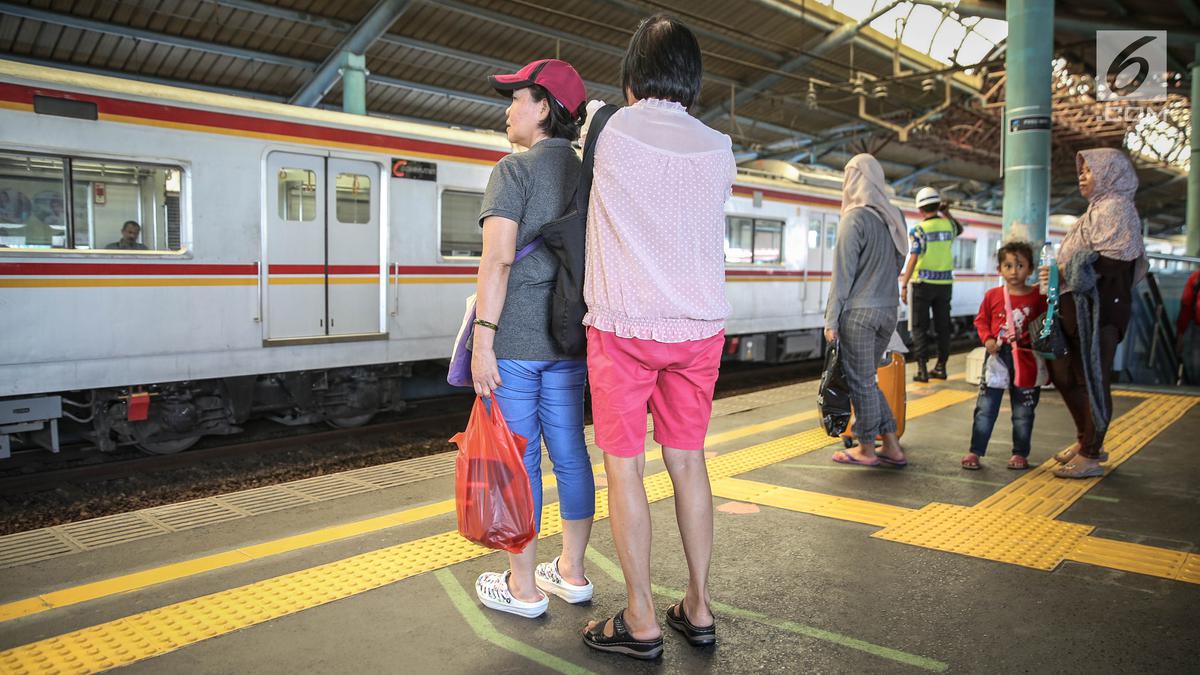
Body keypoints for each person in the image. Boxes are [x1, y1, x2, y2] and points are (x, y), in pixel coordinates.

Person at [579, 15, 732, 660]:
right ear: (692, 77)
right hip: (699, 329)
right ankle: (698, 606)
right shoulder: (719, 146)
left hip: (623, 327)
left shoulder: (606, 127)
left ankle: (640, 617)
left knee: (625, 468)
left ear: (632, 74)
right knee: (688, 461)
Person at [469, 58, 596, 618]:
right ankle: (572, 572)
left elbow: (497, 260)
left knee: (519, 458)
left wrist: (482, 342)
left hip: (517, 341)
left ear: (544, 107)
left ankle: (523, 588)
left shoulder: (512, 170)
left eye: (517, 98)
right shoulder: (587, 173)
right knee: (570, 454)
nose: (508, 109)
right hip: (568, 339)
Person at [1040, 148, 1147, 479]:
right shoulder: (1095, 211)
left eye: (1089, 170)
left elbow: (1113, 264)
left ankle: (1091, 453)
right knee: (1065, 374)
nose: (1082, 176)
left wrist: (1065, 268)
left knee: (1092, 380)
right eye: (1081, 171)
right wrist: (1058, 273)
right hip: (1075, 309)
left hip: (1099, 312)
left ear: (1110, 173)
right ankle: (1084, 439)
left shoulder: (1117, 209)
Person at [824, 154, 909, 468]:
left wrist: (831, 319)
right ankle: (892, 446)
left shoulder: (855, 218)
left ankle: (866, 448)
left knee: (861, 382)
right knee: (867, 380)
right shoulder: (893, 216)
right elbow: (899, 262)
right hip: (888, 310)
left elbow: (842, 274)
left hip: (859, 313)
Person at [962, 241, 1047, 471]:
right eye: (1008, 266)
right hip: (997, 356)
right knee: (985, 407)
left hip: (1026, 357)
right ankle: (975, 451)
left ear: (1030, 269)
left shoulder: (1038, 297)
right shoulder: (993, 295)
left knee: (1024, 410)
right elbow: (981, 320)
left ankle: (1020, 453)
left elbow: (1046, 324)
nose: (1013, 271)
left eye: (1020, 266)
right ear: (999, 269)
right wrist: (987, 339)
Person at [900, 186, 963, 382]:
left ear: (920, 209)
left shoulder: (918, 230)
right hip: (944, 284)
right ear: (938, 205)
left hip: (922, 284)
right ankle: (941, 367)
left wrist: (904, 284)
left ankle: (922, 370)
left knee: (920, 327)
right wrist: (947, 213)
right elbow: (959, 228)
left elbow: (913, 257)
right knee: (943, 327)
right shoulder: (948, 226)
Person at [1175, 268, 1199, 373]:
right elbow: (1186, 306)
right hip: (1197, 329)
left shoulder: (1196, 277)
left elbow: (1186, 305)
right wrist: (1180, 333)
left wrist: (1180, 333)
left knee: (1195, 365)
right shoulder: (1196, 277)